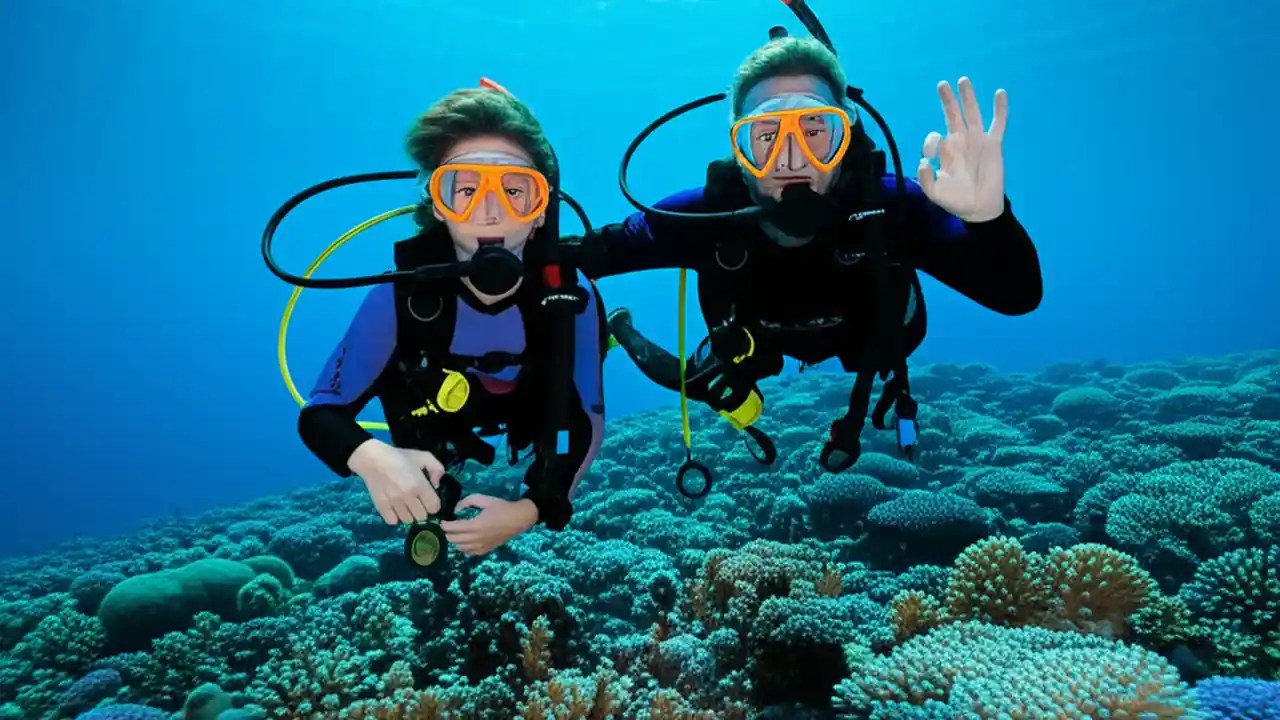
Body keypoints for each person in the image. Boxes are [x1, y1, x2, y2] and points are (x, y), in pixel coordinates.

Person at [562, 13, 1041, 493]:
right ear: (738, 147)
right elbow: (590, 254)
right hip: (751, 344)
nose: (792, 160)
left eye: (816, 131)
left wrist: (990, 219)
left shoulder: (891, 207)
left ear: (846, 135)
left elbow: (1017, 294)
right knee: (703, 377)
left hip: (872, 337)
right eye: (766, 137)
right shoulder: (702, 217)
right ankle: (621, 329)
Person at [296, 86, 606, 556]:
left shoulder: (570, 296)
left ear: (542, 210)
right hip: (438, 422)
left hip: (529, 406)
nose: (489, 209)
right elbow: (322, 412)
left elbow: (589, 422)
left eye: (516, 190)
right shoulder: (400, 296)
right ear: (438, 206)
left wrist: (532, 509)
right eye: (465, 189)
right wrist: (369, 455)